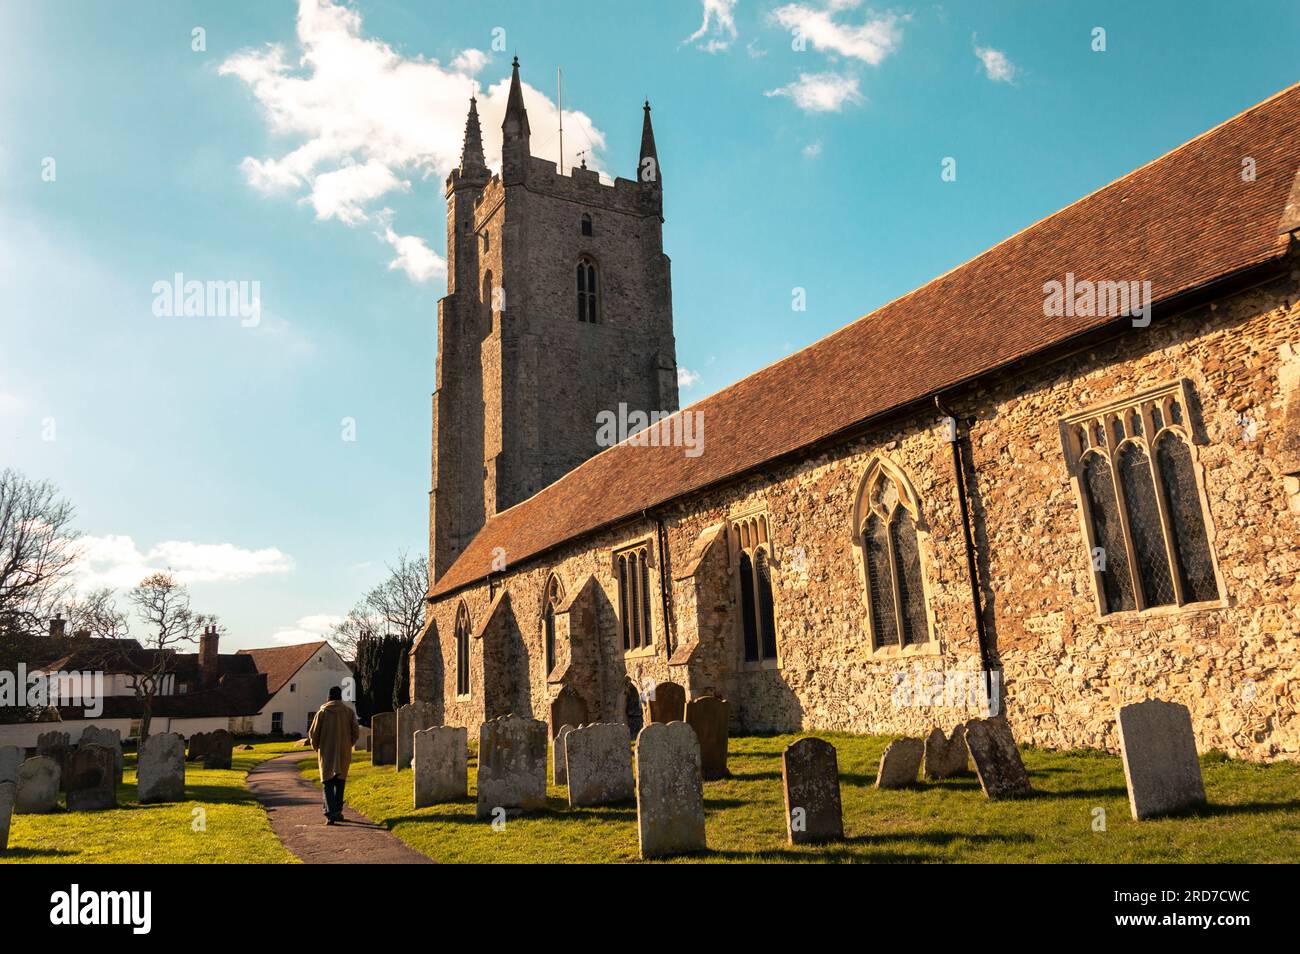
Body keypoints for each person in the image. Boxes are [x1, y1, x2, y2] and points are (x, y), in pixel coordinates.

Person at [308, 686, 359, 825]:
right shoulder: (348, 712)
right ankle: (337, 811)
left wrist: (317, 748)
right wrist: (348, 744)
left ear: (328, 697)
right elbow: (356, 732)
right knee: (340, 782)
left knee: (327, 783)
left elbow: (313, 734)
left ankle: (330, 813)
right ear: (340, 697)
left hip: (326, 751)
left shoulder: (322, 713)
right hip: (343, 752)